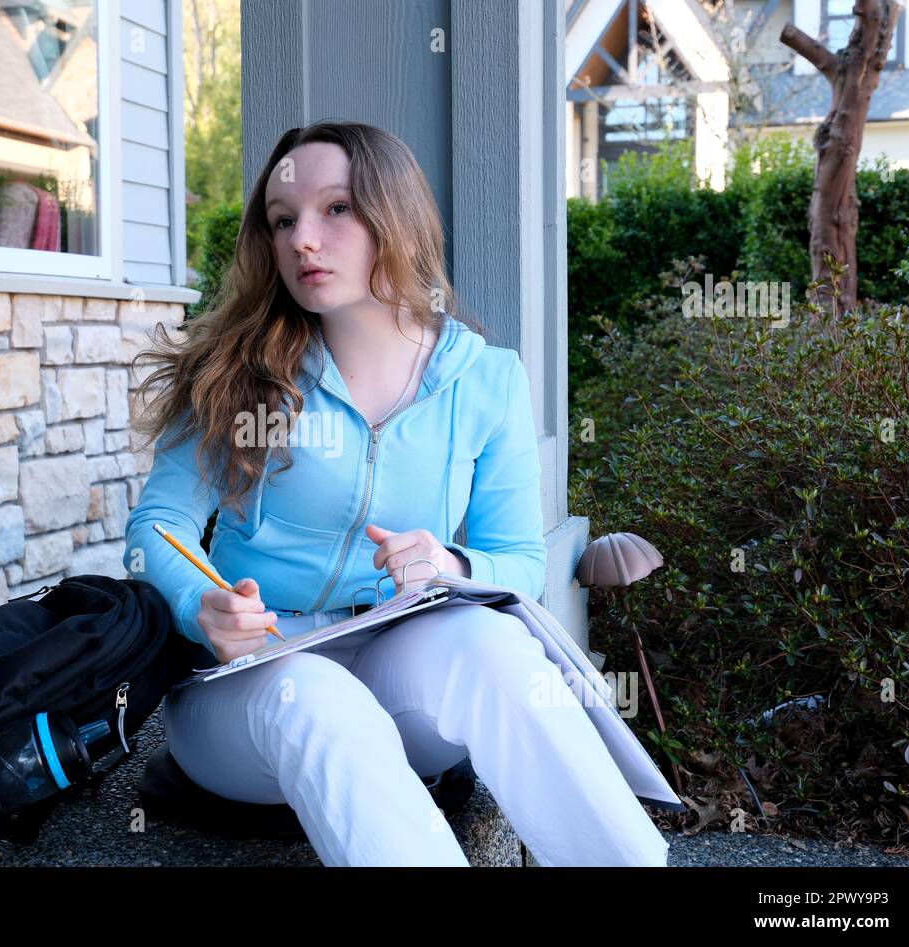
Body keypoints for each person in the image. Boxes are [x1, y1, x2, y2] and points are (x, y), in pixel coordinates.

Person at [122, 121, 670, 867]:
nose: (303, 241)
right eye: (283, 221)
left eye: (336, 209)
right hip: (249, 692)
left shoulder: (487, 380)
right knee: (318, 696)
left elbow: (518, 564)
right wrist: (201, 602)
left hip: (400, 673)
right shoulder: (233, 372)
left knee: (492, 642)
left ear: (396, 215)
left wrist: (450, 564)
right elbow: (156, 526)